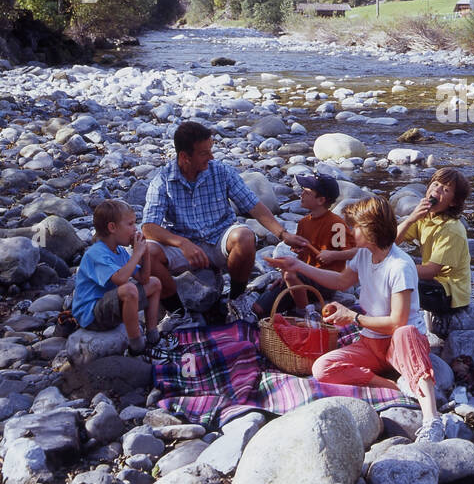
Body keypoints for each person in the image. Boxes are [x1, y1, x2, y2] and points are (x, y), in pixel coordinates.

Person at [270, 196, 445, 442]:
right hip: (371, 344)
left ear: (372, 229)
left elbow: (397, 321)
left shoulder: (400, 266)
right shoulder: (364, 254)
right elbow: (342, 282)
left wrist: (353, 316)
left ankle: (432, 420)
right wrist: (298, 266)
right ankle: (393, 386)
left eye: (356, 227)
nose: (351, 232)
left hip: (400, 343)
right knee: (322, 369)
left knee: (405, 332)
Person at [142, 121, 307, 322]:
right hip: (184, 246)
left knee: (245, 236)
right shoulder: (162, 181)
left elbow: (253, 205)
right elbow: (149, 227)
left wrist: (283, 234)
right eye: (204, 153)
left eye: (210, 150)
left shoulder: (220, 171)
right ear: (184, 157)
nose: (211, 157)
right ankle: (177, 312)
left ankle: (236, 299)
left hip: (219, 239)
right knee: (147, 253)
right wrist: (182, 243)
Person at [250, 172, 355, 320]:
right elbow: (300, 257)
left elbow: (354, 251)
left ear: (321, 200)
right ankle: (292, 301)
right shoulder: (304, 223)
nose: (301, 194)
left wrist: (333, 255)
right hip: (301, 278)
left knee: (289, 274)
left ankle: (306, 311)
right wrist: (288, 277)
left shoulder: (335, 224)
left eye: (306, 192)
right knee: (259, 309)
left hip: (326, 282)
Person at [73, 200, 163, 352]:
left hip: (110, 307)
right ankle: (137, 346)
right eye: (130, 224)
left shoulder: (119, 252)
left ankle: (153, 336)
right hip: (91, 315)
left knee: (154, 283)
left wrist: (145, 252)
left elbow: (144, 278)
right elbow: (120, 279)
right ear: (112, 227)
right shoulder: (95, 254)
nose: (135, 229)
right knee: (129, 290)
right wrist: (136, 254)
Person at [395, 168, 471, 317]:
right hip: (435, 281)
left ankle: (396, 322)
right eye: (435, 184)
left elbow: (430, 271)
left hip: (450, 293)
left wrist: (397, 269)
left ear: (453, 202)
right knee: (396, 267)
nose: (437, 190)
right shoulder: (425, 216)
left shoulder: (451, 229)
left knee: (400, 280)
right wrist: (411, 218)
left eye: (446, 189)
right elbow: (392, 241)